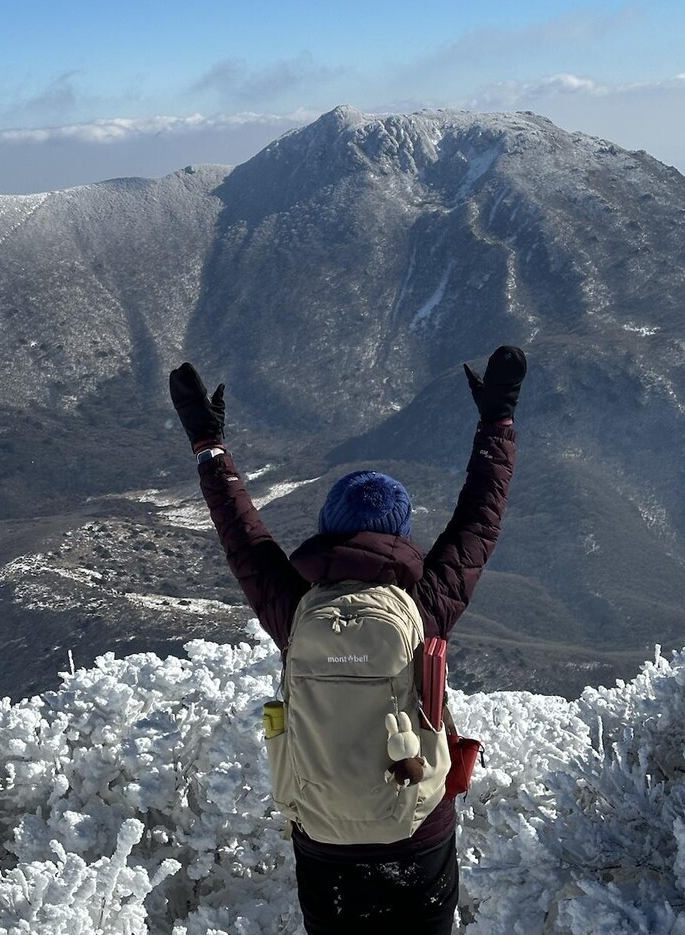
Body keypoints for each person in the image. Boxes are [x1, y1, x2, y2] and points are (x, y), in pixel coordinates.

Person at [168, 345, 525, 934]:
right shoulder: (423, 607)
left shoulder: (296, 610)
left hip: (325, 840)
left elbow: (241, 532)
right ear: (402, 536)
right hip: (417, 833)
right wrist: (497, 422)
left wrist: (208, 445)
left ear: (327, 529)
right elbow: (479, 519)